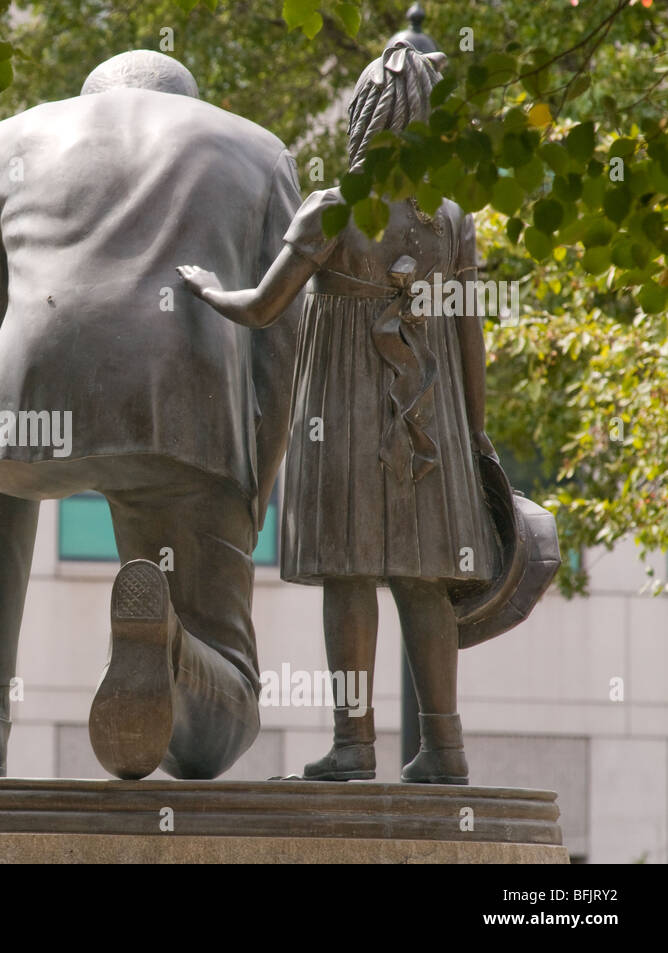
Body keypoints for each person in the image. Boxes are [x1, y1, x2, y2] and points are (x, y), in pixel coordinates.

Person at [0, 50, 303, 781]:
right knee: (212, 735)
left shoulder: (4, 142)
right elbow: (283, 353)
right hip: (188, 415)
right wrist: (247, 493)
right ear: (188, 98)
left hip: (33, 401)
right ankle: (169, 647)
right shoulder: (262, 152)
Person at [177, 42, 498, 784]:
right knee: (424, 578)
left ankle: (354, 745)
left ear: (368, 115)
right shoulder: (453, 218)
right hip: (434, 426)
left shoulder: (334, 209)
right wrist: (474, 437)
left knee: (352, 573)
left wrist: (202, 288)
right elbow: (471, 339)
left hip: (345, 415)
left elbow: (260, 308)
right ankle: (445, 749)